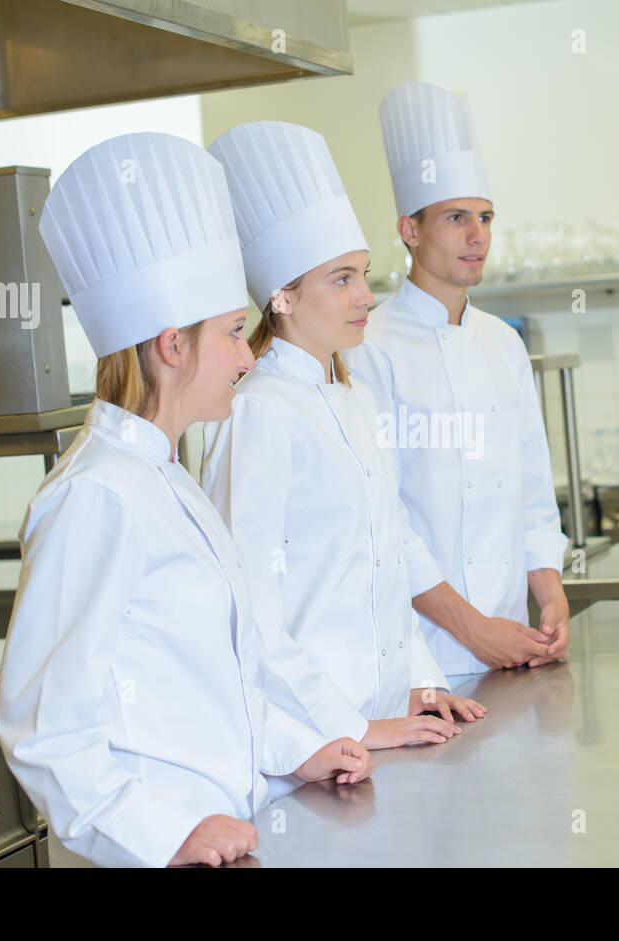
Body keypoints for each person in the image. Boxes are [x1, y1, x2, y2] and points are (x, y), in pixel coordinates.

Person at [0, 132, 374, 869]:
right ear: (173, 346)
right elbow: (43, 731)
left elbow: (219, 683)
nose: (246, 354)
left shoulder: (171, 480)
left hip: (228, 841)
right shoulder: (94, 497)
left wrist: (300, 750)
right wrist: (165, 831)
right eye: (233, 333)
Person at [202, 121, 485, 732]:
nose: (366, 297)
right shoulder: (259, 411)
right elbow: (248, 604)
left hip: (379, 724)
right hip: (314, 742)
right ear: (282, 298)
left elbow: (384, 564)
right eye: (342, 279)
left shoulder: (350, 399)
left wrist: (419, 684)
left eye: (363, 274)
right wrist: (352, 728)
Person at [343, 81, 571, 678]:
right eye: (456, 218)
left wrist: (549, 593)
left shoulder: (503, 342)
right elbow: (382, 520)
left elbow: (531, 489)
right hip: (419, 658)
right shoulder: (369, 346)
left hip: (510, 644)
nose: (478, 236)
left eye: (486, 218)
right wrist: (474, 631)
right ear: (410, 230)